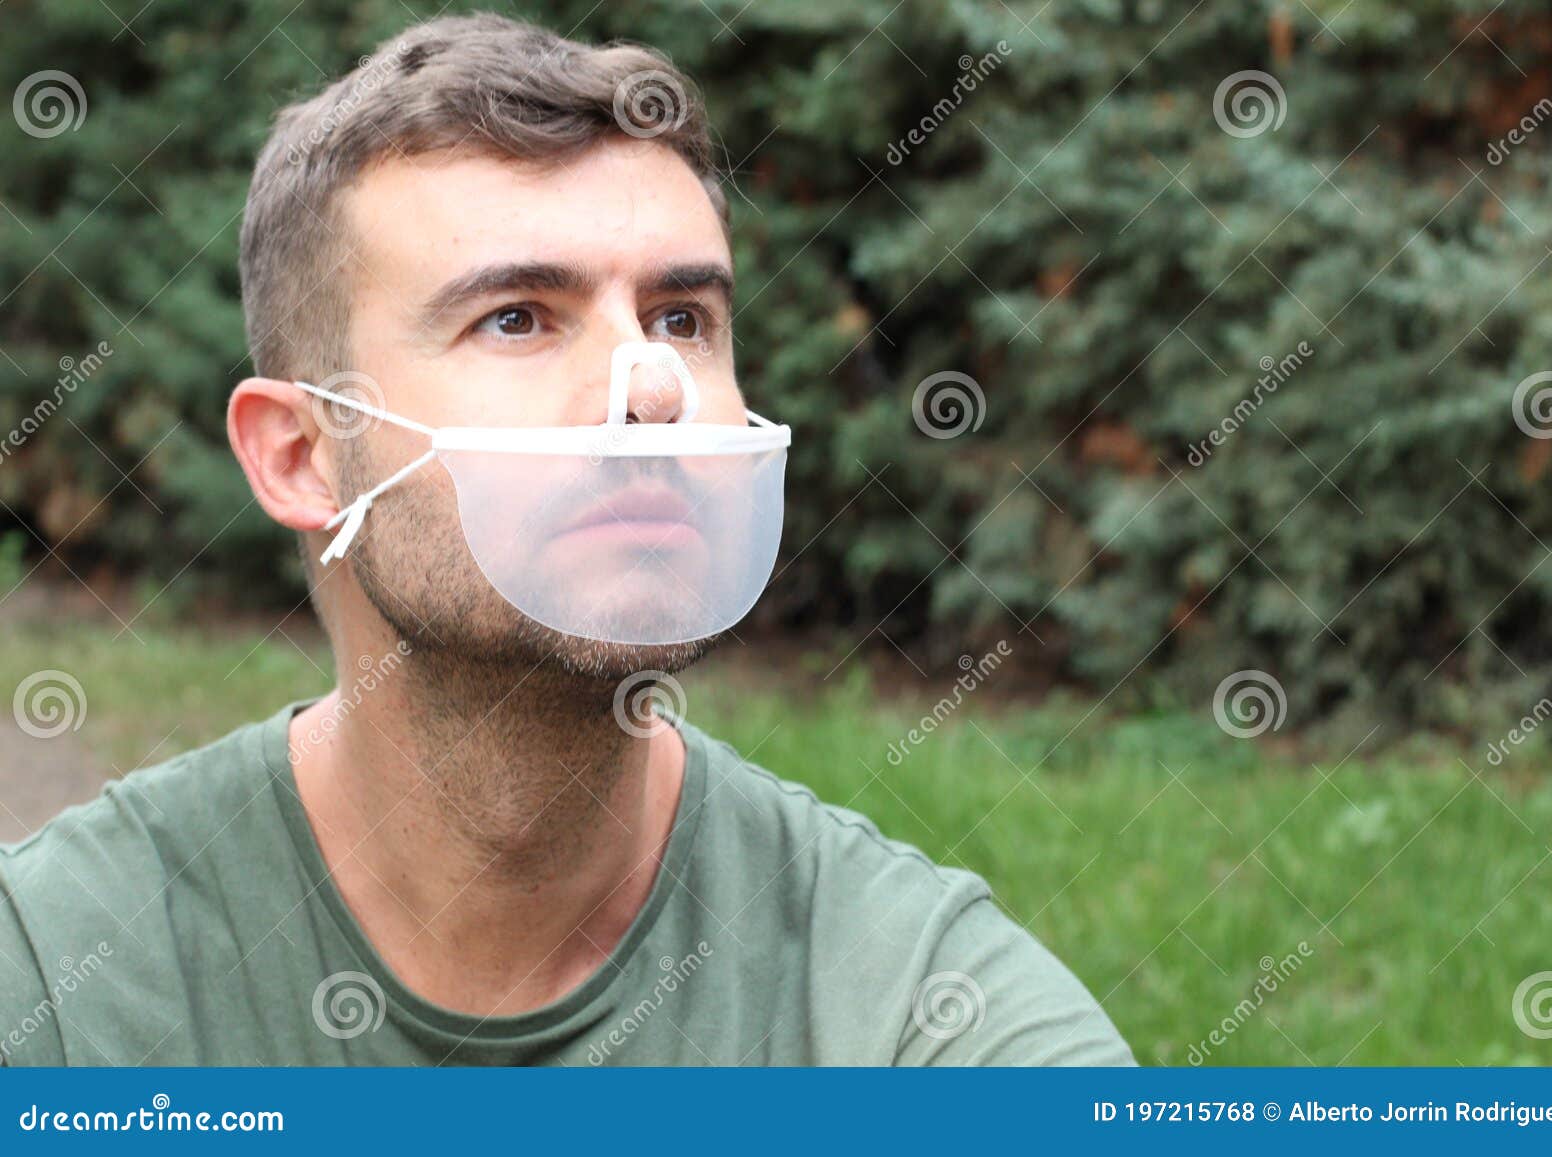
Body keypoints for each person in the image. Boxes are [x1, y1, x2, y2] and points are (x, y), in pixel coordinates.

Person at [0, 12, 1132, 1067]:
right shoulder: (64, 974)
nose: (648, 393)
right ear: (299, 453)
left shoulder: (911, 1010)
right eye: (516, 317)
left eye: (681, 319)